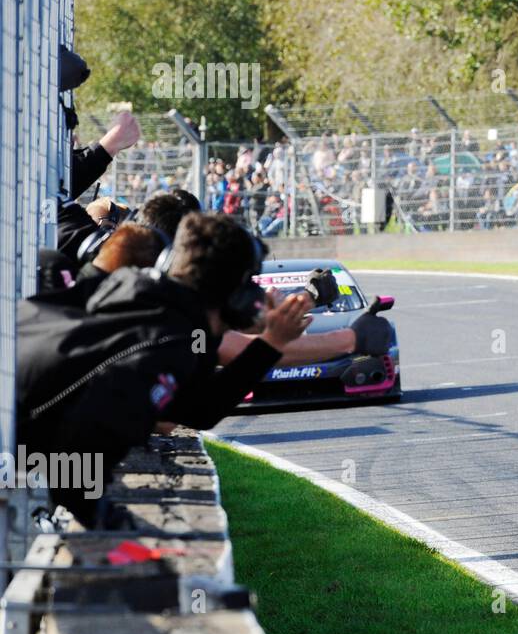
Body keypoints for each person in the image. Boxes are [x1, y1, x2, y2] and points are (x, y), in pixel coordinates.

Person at [16, 213, 312, 525]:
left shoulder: (145, 301)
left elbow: (198, 408)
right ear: (236, 295)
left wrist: (271, 343)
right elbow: (82, 452)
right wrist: (112, 525)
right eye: (250, 283)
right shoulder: (167, 341)